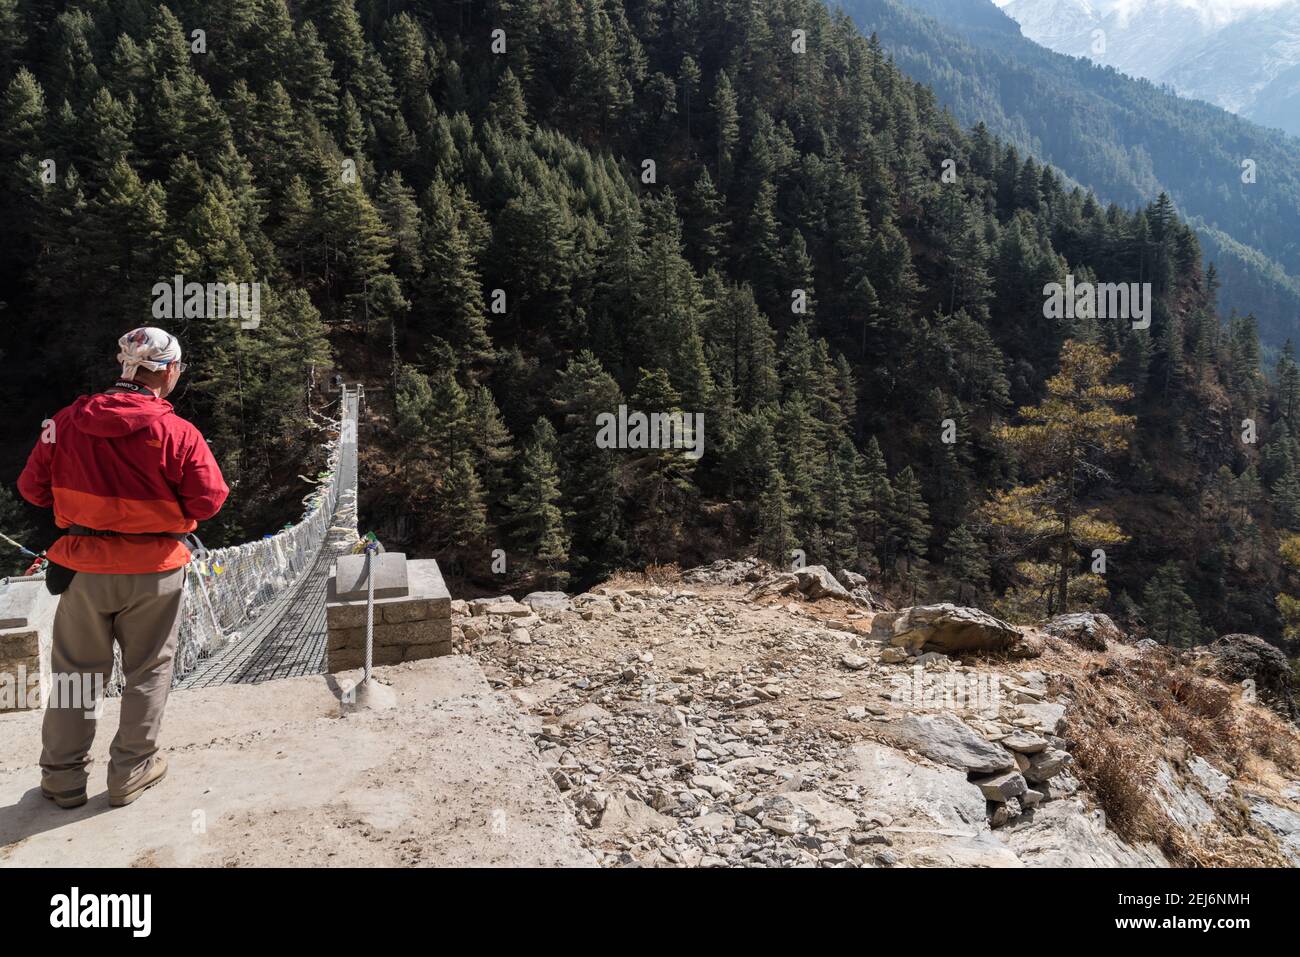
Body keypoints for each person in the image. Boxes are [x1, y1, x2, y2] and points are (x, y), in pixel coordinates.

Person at [17, 328, 228, 808]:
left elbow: (32, 489)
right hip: (154, 568)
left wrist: (78, 507)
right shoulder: (178, 432)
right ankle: (132, 769)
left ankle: (63, 777)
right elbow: (209, 500)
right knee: (148, 670)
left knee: (76, 675)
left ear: (124, 366)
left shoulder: (63, 423)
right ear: (169, 371)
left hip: (83, 566)